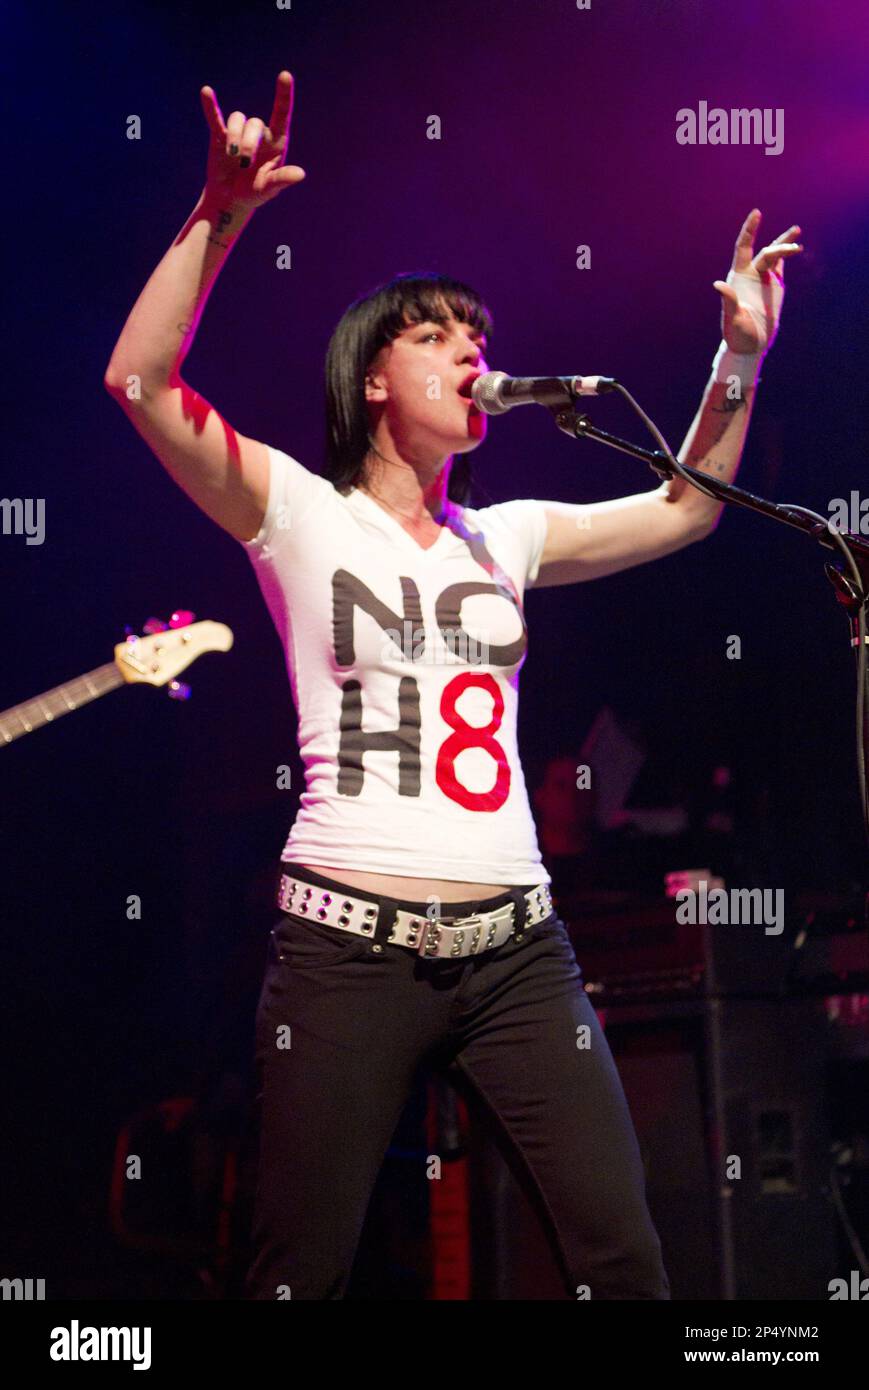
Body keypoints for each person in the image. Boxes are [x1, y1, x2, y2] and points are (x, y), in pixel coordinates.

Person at [103, 70, 803, 1300]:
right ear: (372, 379)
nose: (473, 349)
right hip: (344, 955)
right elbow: (142, 384)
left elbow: (688, 506)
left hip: (516, 951)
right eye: (434, 333)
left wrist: (734, 356)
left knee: (624, 1260)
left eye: (477, 332)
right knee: (294, 1277)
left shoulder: (509, 535)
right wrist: (219, 217)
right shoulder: (297, 514)